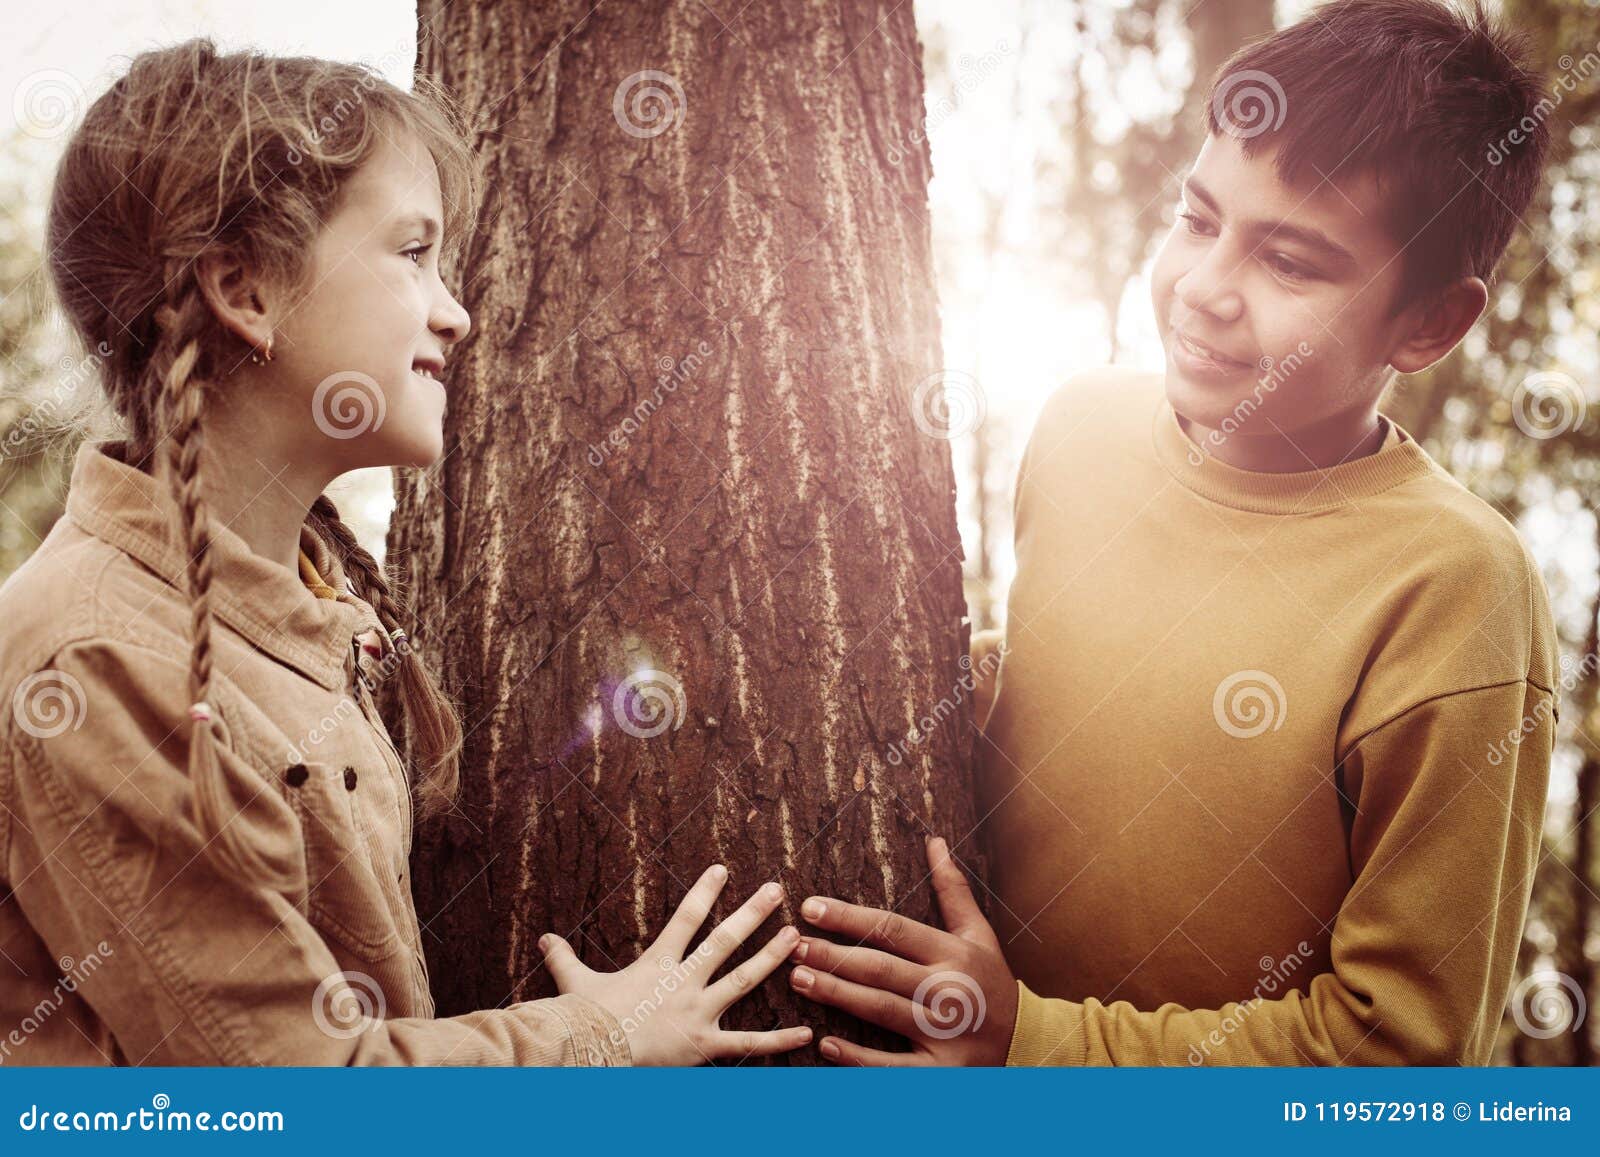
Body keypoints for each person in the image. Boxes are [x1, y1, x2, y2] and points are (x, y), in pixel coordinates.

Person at [0, 38, 810, 1066]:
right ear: (244, 287)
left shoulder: (302, 606)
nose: (457, 313)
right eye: (412, 252)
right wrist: (597, 1038)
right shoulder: (101, 659)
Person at [790, 0, 1560, 1066]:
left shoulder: (1454, 589)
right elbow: (1073, 706)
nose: (1203, 290)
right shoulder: (1079, 428)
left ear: (1426, 322)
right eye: (1197, 221)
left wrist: (1035, 1045)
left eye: (1290, 264)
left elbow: (1401, 1052)